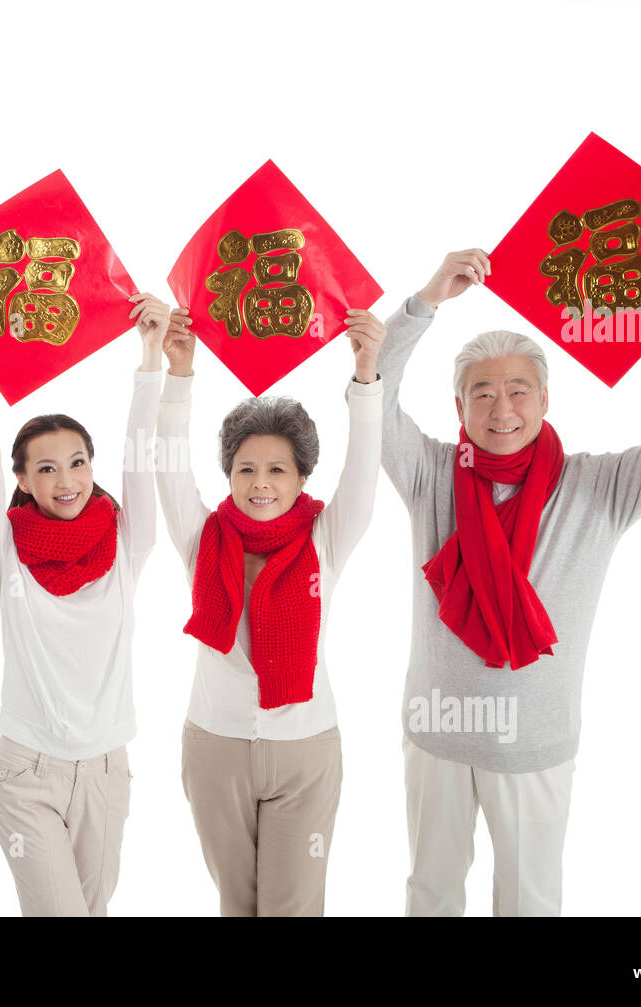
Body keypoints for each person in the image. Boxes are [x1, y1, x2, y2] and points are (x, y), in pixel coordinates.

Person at [365, 239, 641, 916]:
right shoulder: (429, 472)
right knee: (429, 894)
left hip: (534, 744)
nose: (502, 409)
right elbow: (368, 396)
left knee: (530, 902)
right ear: (459, 406)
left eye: (518, 390)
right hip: (434, 734)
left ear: (546, 398)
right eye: (483, 393)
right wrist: (425, 301)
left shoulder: (598, 486)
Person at [0, 289, 168, 916]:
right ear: (24, 479)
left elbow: (142, 457)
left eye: (78, 463)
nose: (68, 481)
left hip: (109, 771)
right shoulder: (2, 548)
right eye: (48, 469)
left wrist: (151, 357)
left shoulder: (127, 542)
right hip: (26, 772)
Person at [155, 303, 386, 916]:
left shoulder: (325, 539)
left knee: (294, 907)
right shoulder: (203, 537)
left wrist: (365, 376)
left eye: (277, 470)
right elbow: (168, 470)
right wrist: (180, 373)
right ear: (228, 473)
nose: (260, 483)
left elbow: (363, 472)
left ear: (301, 476)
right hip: (215, 749)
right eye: (246, 468)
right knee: (238, 905)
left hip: (306, 749)